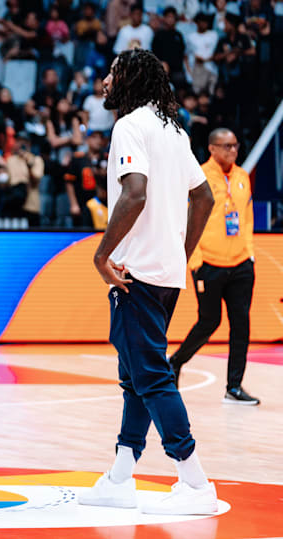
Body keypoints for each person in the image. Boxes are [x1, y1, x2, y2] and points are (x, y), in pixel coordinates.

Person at [80, 48, 218, 515]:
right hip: (164, 272)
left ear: (129, 81)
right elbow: (203, 198)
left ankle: (194, 479)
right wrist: (179, 254)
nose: (104, 81)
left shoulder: (129, 126)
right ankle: (121, 474)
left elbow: (133, 193)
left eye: (111, 74)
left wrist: (102, 254)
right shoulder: (174, 129)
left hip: (134, 272)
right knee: (136, 376)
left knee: (152, 376)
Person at [169, 128, 259, 404]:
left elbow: (245, 218)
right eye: (227, 146)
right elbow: (187, 220)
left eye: (235, 145)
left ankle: (234, 386)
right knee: (209, 321)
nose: (233, 151)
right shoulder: (199, 176)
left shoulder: (242, 176)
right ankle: (175, 362)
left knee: (241, 325)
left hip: (241, 263)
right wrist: (194, 261)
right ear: (212, 148)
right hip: (208, 263)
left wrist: (250, 253)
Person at [65, 130, 109, 228]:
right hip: (83, 202)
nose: (98, 141)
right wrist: (73, 204)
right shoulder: (78, 158)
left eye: (100, 138)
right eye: (94, 137)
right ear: (87, 140)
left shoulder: (107, 158)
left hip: (103, 204)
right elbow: (69, 182)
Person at [152, 7, 187, 85]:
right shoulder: (159, 35)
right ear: (164, 18)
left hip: (177, 70)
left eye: (172, 17)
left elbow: (182, 53)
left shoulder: (178, 35)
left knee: (181, 80)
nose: (170, 19)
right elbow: (154, 53)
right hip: (161, 69)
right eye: (168, 17)